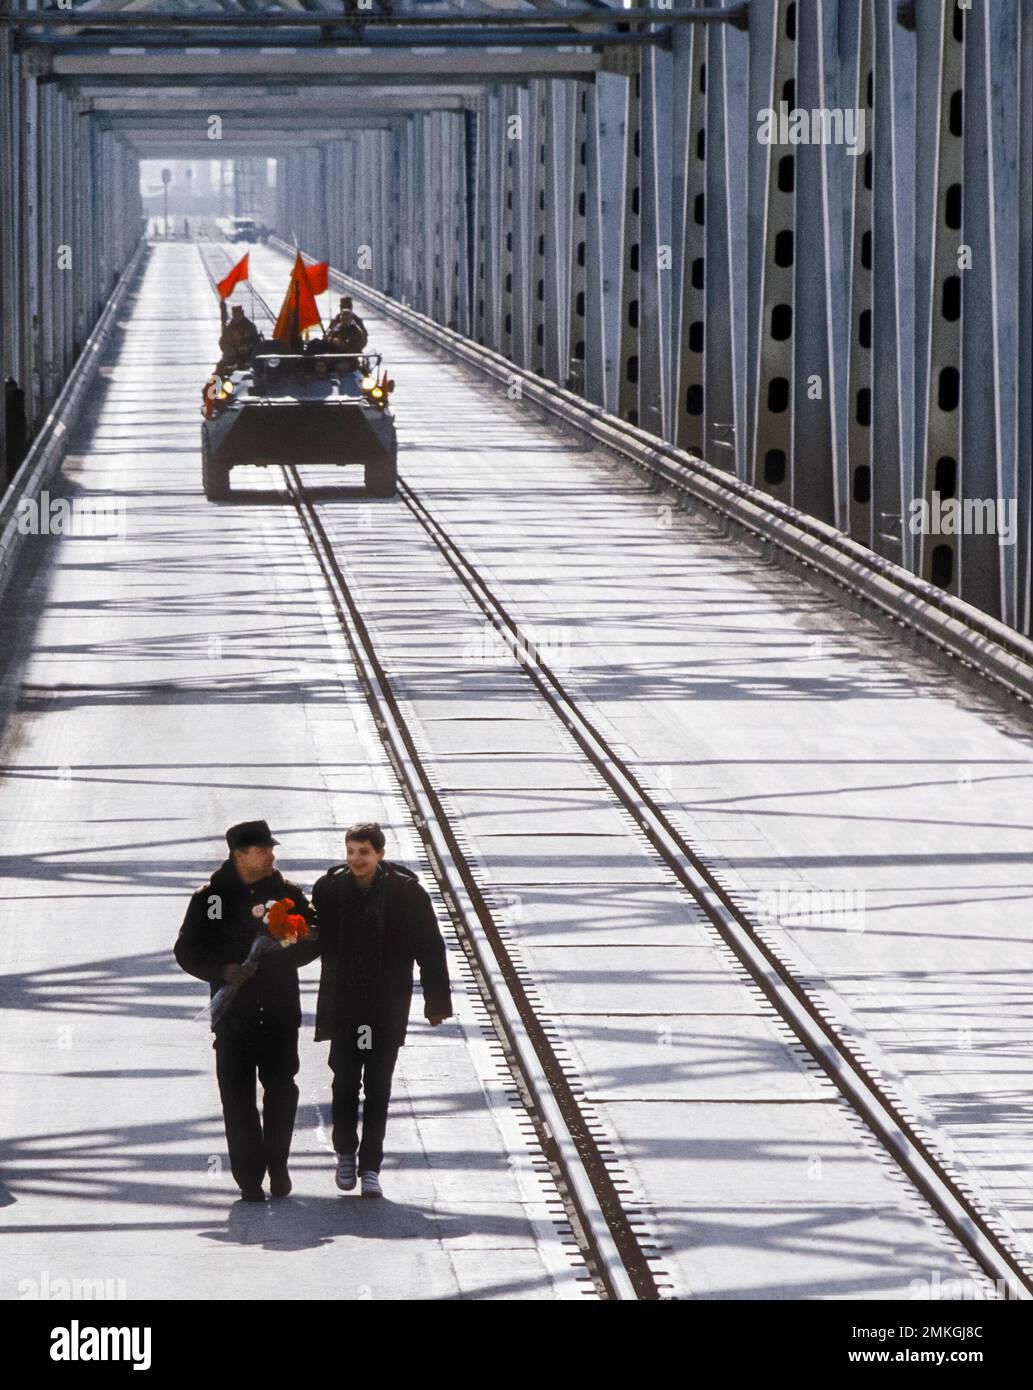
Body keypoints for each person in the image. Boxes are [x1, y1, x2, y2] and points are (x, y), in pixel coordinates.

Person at [174, 820, 319, 1202]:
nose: (272, 854)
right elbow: (187, 951)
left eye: (271, 848)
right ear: (239, 855)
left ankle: (279, 1165)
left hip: (279, 1012)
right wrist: (222, 970)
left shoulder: (287, 894)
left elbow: (312, 940)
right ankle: (249, 1177)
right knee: (236, 1098)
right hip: (233, 1017)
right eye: (263, 850)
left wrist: (291, 941)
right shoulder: (211, 898)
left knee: (282, 1092)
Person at [312, 823, 452, 1198]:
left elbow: (430, 947)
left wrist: (435, 1003)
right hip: (344, 1003)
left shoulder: (407, 893)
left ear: (380, 854)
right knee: (343, 1083)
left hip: (385, 1005)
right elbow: (314, 938)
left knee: (378, 1087)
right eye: (351, 851)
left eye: (364, 852)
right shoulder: (329, 890)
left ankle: (370, 1165)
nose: (356, 859)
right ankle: (345, 1152)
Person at [325, 296, 368, 370]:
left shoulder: (356, 325)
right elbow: (328, 335)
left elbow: (362, 340)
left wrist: (342, 345)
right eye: (342, 306)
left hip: (350, 358)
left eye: (348, 306)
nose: (344, 320)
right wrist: (329, 338)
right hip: (334, 357)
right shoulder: (336, 321)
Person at [218, 304, 259, 371]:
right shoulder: (228, 328)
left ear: (242, 313)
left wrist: (249, 347)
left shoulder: (250, 326)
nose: (236, 317)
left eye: (238, 315)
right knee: (220, 367)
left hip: (248, 355)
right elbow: (223, 343)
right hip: (233, 356)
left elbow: (257, 341)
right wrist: (231, 351)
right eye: (234, 315)